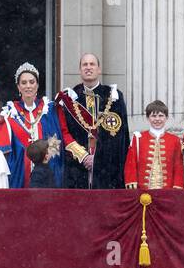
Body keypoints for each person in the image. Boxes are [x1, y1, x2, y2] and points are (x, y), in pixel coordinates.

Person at [56, 52, 130, 189]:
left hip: (107, 170)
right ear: (80, 70)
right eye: (85, 64)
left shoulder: (114, 96)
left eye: (92, 64)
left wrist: (98, 158)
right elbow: (63, 132)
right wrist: (83, 156)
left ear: (99, 69)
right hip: (77, 168)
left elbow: (120, 135)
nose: (88, 67)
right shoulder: (70, 98)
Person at [3, 63, 64, 188]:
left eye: (32, 82)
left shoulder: (48, 109)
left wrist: (47, 165)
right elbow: (8, 149)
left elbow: (55, 142)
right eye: (24, 83)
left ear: (37, 85)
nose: (28, 86)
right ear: (18, 87)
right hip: (20, 173)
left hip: (46, 174)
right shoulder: (10, 113)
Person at [125, 100, 184, 190]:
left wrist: (177, 185)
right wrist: (131, 181)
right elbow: (131, 163)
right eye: (153, 116)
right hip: (143, 191)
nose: (157, 119)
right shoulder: (138, 138)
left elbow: (178, 166)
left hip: (168, 192)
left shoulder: (175, 140)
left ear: (166, 117)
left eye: (161, 116)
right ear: (148, 118)